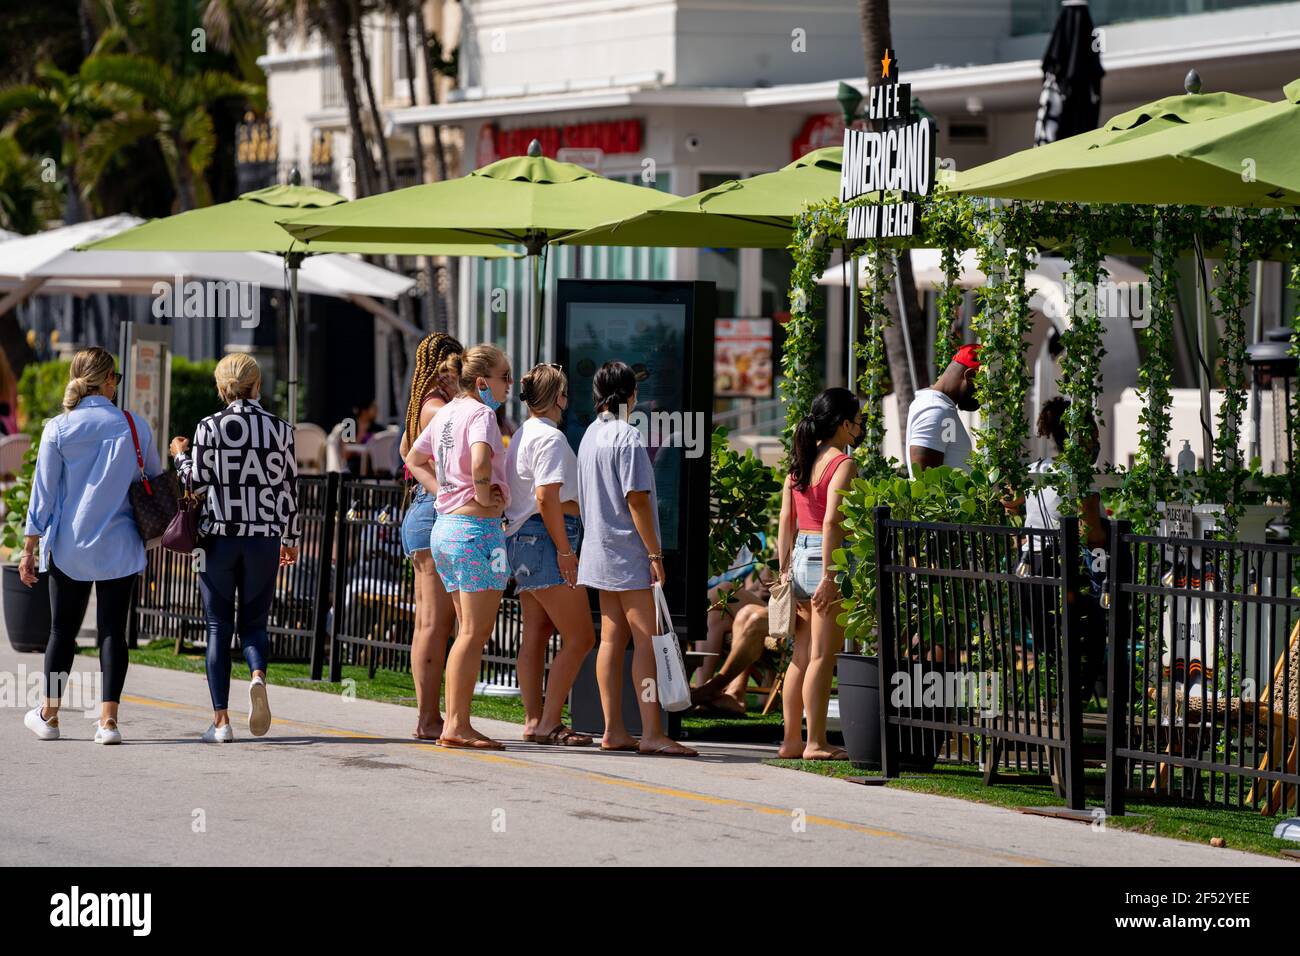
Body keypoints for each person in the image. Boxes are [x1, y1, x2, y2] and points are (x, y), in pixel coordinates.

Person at [22, 347, 157, 745]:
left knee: (62, 630)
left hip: (70, 547)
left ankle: (49, 715)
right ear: (110, 381)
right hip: (119, 544)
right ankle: (109, 722)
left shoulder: (58, 428)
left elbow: (42, 496)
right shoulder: (134, 426)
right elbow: (152, 479)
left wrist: (29, 548)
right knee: (113, 631)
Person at [170, 354, 299, 743]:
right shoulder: (281, 429)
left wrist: (180, 456)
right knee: (255, 624)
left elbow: (196, 481)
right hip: (264, 537)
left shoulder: (209, 426)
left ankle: (221, 722)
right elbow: (289, 489)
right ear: (257, 385)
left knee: (217, 626)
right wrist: (290, 538)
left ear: (222, 387)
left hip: (218, 538)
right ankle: (257, 676)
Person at [576, 361, 696, 757]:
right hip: (629, 552)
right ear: (630, 394)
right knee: (647, 641)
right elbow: (638, 499)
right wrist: (655, 553)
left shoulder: (591, 435)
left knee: (611, 640)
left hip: (598, 550)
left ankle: (613, 729)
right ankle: (650, 732)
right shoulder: (627, 437)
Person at [405, 343, 512, 750]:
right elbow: (482, 462)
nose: (509, 386)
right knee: (473, 631)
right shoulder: (482, 414)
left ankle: (453, 722)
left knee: (463, 631)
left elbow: (413, 458)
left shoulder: (446, 412)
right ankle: (457, 725)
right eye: (504, 377)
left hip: (446, 529)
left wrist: (443, 491)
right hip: (475, 531)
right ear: (483, 381)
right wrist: (483, 497)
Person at [504, 363, 595, 746]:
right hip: (547, 538)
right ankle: (550, 721)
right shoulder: (552, 439)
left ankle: (533, 719)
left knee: (536, 633)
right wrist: (564, 550)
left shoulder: (525, 432)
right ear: (559, 397)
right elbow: (547, 497)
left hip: (522, 538)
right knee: (581, 636)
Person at [777, 387, 861, 760]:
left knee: (802, 654)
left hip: (798, 557)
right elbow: (832, 523)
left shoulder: (799, 462)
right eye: (857, 423)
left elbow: (785, 520)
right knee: (823, 656)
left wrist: (783, 572)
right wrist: (830, 576)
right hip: (827, 559)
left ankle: (791, 741)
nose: (858, 430)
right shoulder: (842, 464)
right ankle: (816, 743)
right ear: (843, 424)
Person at [398, 333, 464, 740]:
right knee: (433, 624)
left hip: (425, 512)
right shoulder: (437, 409)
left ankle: (429, 715)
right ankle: (427, 717)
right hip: (432, 512)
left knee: (433, 622)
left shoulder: (418, 408)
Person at [906, 343, 981, 478]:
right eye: (981, 388)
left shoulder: (943, 410)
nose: (983, 399)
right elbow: (926, 484)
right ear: (969, 376)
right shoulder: (935, 410)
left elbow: (948, 458)